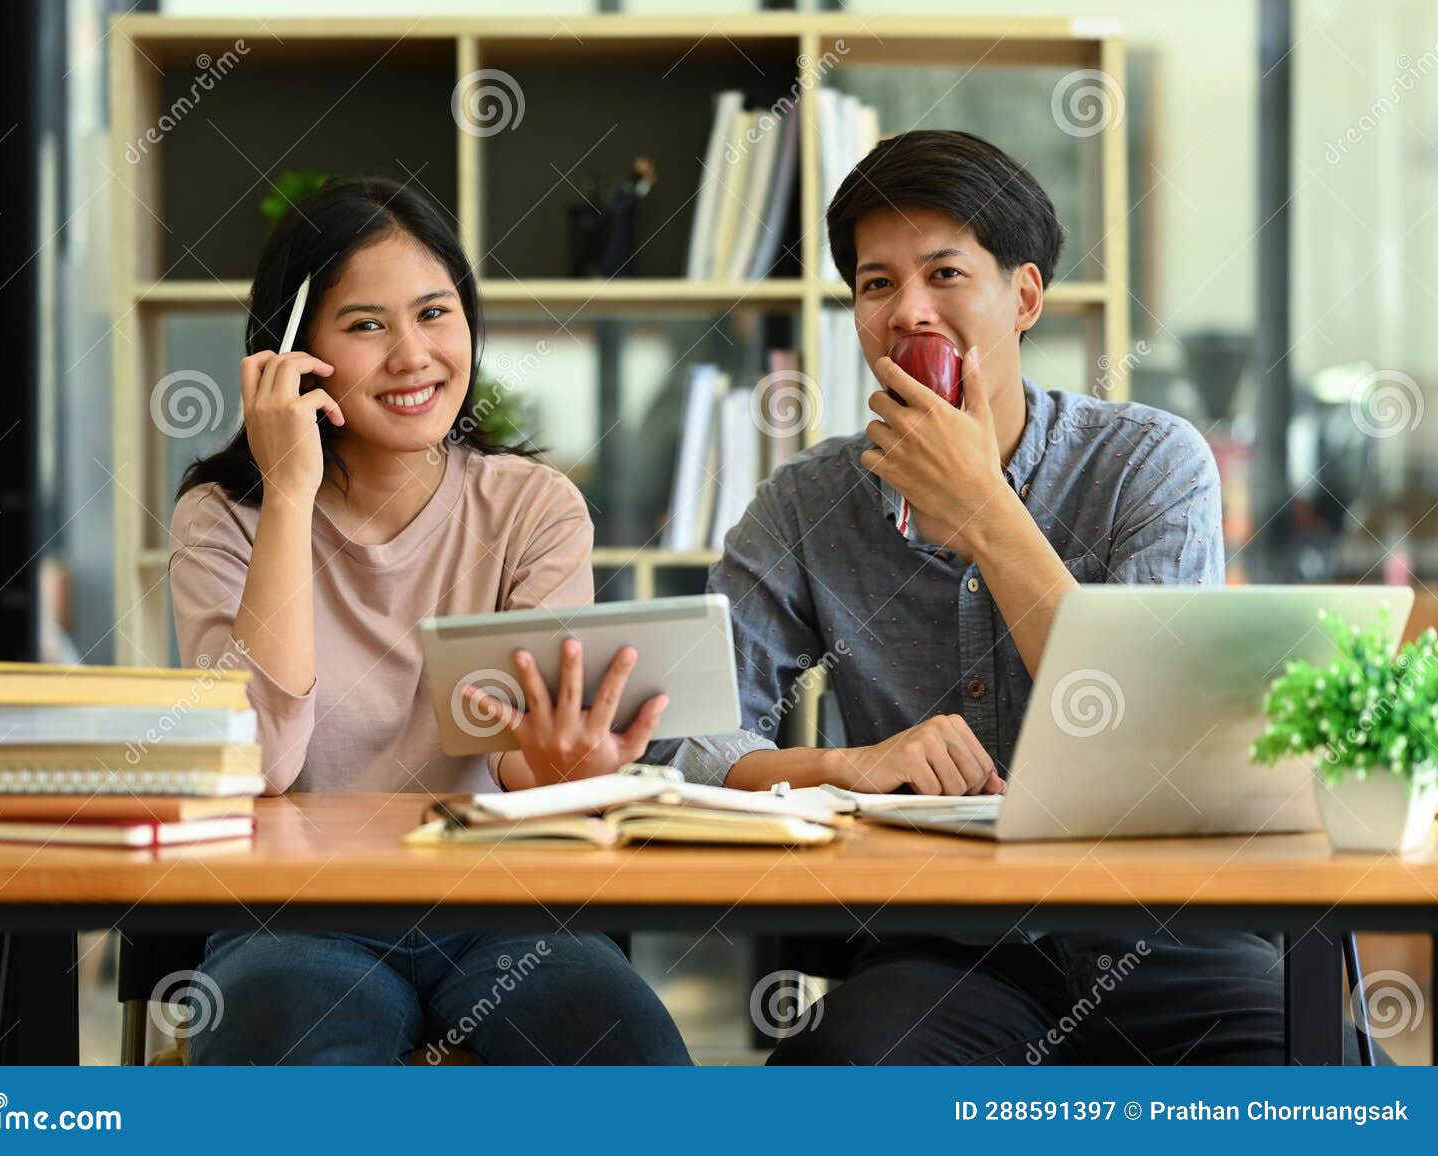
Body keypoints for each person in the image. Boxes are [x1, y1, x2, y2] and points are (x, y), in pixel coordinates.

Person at [648, 130, 1384, 1065]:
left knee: (1331, 1089)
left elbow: (1152, 731)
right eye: (877, 285)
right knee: (842, 1081)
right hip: (945, 952)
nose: (910, 311)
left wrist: (986, 512)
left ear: (1024, 296)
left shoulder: (1149, 466)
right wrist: (846, 768)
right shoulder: (808, 502)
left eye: (945, 273)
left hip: (1166, 938)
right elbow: (686, 732)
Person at [170, 176, 689, 1066]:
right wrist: (289, 493)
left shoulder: (534, 508)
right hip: (294, 917)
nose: (414, 355)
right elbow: (257, 765)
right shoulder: (224, 517)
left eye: (435, 313)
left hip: (506, 913)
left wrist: (567, 767)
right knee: (293, 1054)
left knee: (627, 1053)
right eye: (367, 324)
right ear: (292, 351)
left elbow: (525, 762)